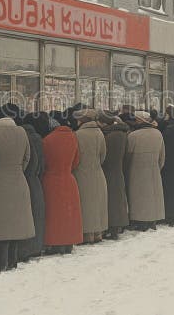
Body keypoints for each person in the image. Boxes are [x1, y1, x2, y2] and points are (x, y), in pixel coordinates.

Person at [0, 105, 35, 270]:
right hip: (18, 181)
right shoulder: (21, 132)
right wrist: (16, 171)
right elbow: (27, 157)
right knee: (14, 224)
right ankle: (12, 260)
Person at [42, 117, 83, 254]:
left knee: (55, 215)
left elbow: (44, 162)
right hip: (69, 179)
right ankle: (68, 241)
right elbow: (76, 161)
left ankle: (55, 243)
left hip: (51, 180)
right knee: (69, 214)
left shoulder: (47, 140)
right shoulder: (73, 138)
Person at [125, 111, 166, 231]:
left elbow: (127, 157)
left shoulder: (133, 136)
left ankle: (139, 220)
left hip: (136, 171)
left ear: (139, 121)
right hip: (153, 169)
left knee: (139, 197)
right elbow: (162, 156)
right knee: (153, 196)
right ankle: (152, 219)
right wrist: (157, 168)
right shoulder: (158, 134)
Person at [73, 109, 109, 242]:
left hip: (82, 173)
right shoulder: (100, 133)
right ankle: (98, 233)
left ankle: (87, 234)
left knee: (86, 204)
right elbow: (103, 155)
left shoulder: (77, 135)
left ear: (82, 121)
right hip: (98, 173)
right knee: (97, 203)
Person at [19, 111, 47, 260]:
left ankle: (27, 249)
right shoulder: (40, 139)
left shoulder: (25, 138)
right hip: (36, 180)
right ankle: (36, 247)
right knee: (37, 214)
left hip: (25, 180)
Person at [99, 110, 130, 239]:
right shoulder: (123, 134)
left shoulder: (107, 136)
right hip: (119, 170)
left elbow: (103, 156)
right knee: (119, 199)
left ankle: (112, 227)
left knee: (110, 200)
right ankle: (119, 225)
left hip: (108, 171)